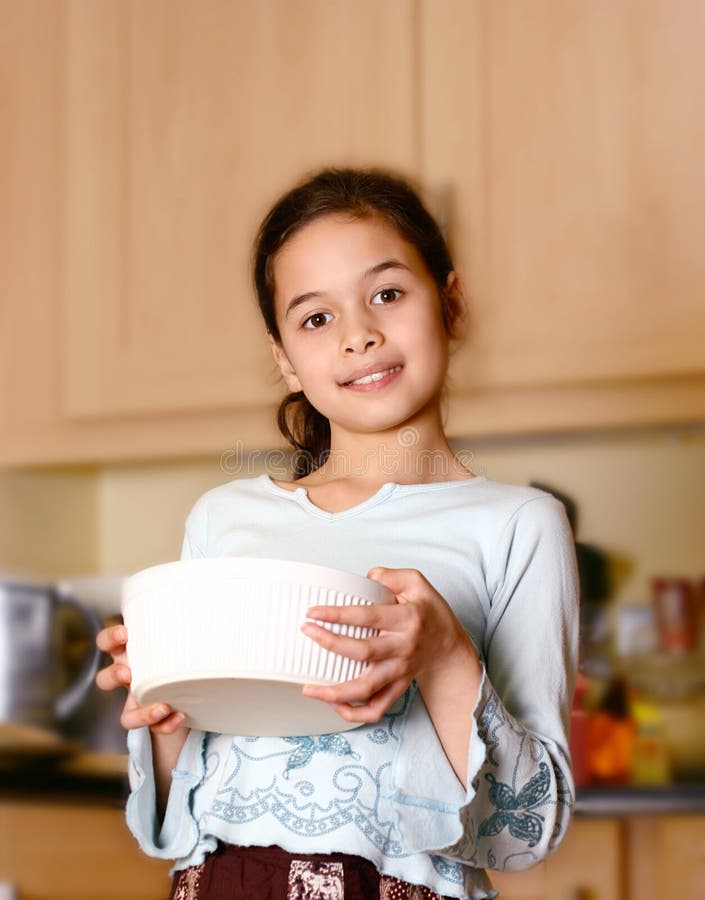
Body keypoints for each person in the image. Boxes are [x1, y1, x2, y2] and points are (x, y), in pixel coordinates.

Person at [96, 167, 579, 900]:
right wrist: (163, 714)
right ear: (284, 359)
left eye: (387, 293)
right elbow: (185, 812)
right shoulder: (223, 520)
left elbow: (520, 836)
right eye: (316, 318)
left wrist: (445, 656)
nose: (359, 335)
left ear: (450, 302)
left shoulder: (518, 525)